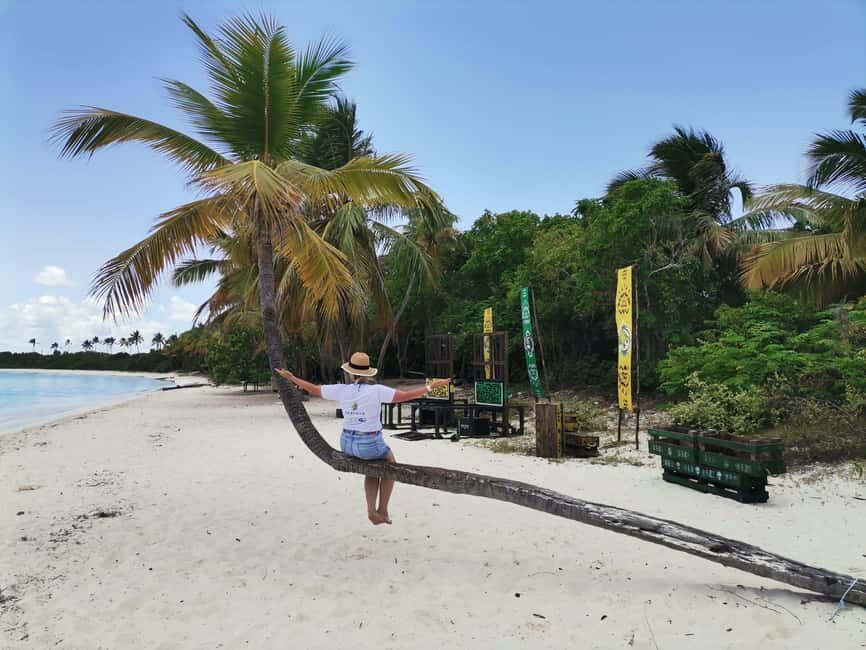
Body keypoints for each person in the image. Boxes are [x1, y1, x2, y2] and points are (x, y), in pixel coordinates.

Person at [275, 352, 450, 526]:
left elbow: (314, 389)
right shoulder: (377, 390)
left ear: (351, 373)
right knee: (391, 464)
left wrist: (292, 378)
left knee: (371, 469)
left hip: (346, 443)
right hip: (368, 444)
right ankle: (382, 509)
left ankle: (371, 510)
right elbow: (404, 396)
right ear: (368, 373)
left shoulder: (342, 389)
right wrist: (430, 387)